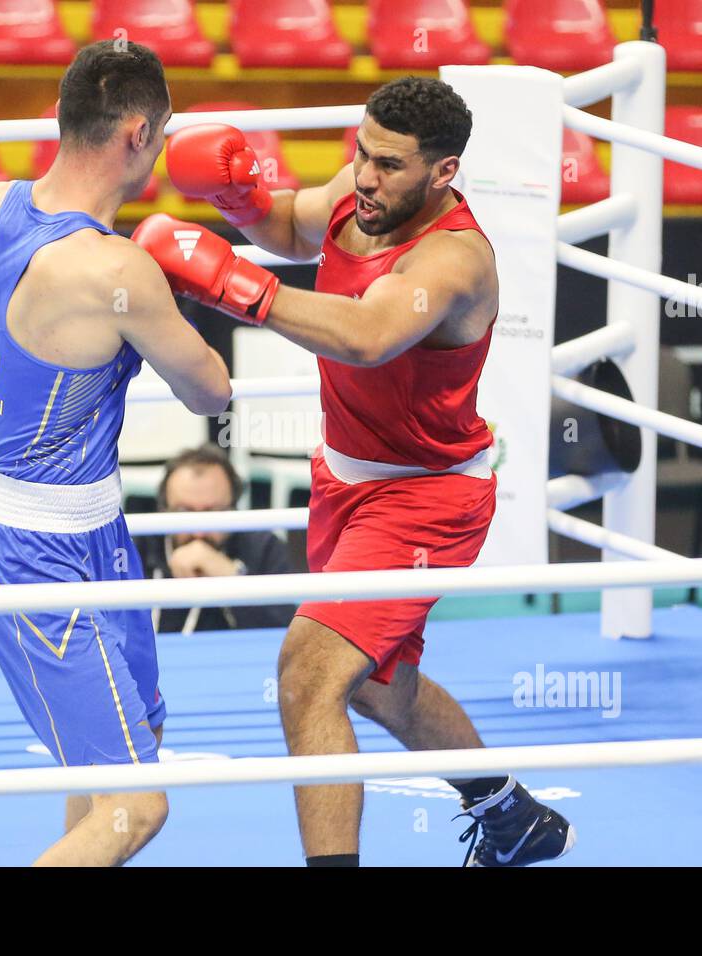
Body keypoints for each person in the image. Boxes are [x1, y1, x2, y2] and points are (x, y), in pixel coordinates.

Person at [133, 76, 574, 867]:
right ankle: (512, 816)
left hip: (426, 501)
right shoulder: (359, 189)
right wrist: (238, 201)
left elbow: (370, 333)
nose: (367, 177)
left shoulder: (455, 261)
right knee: (375, 687)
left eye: (391, 166)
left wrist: (235, 285)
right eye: (362, 153)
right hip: (344, 479)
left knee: (307, 674)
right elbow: (290, 226)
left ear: (443, 174)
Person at [0, 40, 231, 867]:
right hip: (40, 555)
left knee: (116, 758)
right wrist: (196, 285)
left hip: (85, 537)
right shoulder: (120, 270)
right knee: (139, 806)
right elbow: (211, 392)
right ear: (137, 133)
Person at [139, 443, 296, 633]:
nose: (199, 532)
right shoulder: (136, 548)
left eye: (213, 512)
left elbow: (283, 634)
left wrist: (232, 578)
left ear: (233, 507)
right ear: (164, 509)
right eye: (184, 512)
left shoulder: (263, 547)